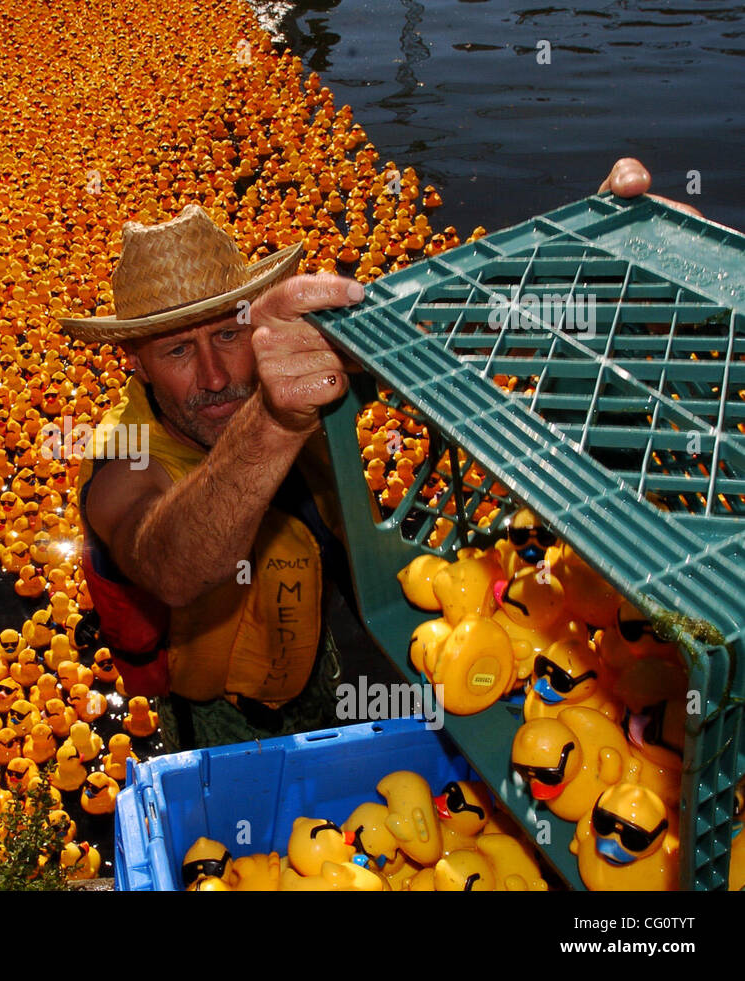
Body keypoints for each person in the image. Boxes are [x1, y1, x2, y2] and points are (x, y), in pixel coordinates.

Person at [59, 158, 699, 752]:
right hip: (222, 711)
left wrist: (605, 249)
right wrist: (273, 420)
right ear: (135, 360)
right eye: (177, 351)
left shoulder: (287, 360)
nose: (217, 376)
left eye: (228, 333)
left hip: (313, 647)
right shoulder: (123, 457)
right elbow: (169, 564)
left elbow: (448, 324)